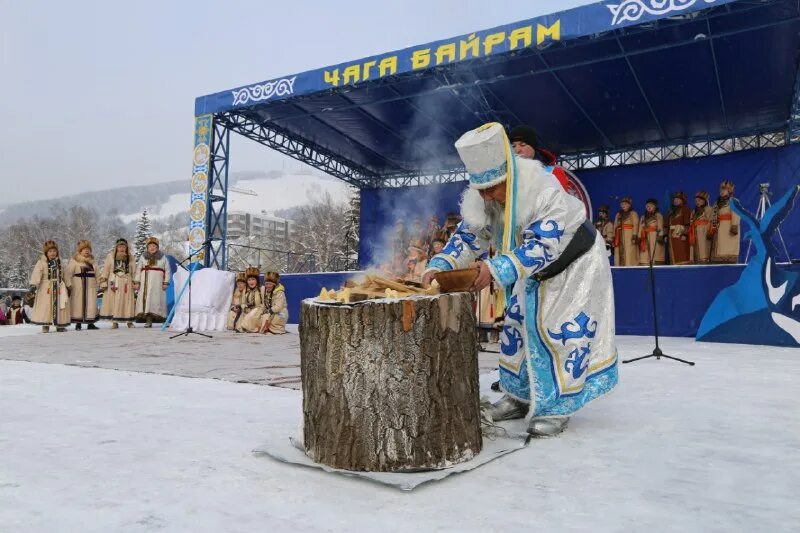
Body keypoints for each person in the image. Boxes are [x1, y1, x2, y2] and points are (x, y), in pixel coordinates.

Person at [423, 123, 617, 437]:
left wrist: (494, 270)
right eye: (480, 189)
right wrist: (438, 266)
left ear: (510, 177)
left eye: (494, 187)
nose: (487, 196)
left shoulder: (543, 189)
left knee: (557, 331)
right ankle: (518, 397)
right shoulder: (484, 197)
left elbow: (544, 244)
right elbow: (467, 239)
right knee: (516, 324)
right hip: (530, 267)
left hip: (574, 262)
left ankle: (557, 408)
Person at [508, 125, 570, 191]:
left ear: (533, 147)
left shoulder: (553, 172)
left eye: (523, 145)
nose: (517, 150)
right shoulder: (508, 174)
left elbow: (561, 200)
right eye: (513, 146)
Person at [29, 240, 71, 332]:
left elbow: (66, 274)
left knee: (60, 306)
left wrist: (68, 285)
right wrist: (33, 285)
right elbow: (36, 274)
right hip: (45, 288)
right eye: (50, 251)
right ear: (46, 252)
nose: (52, 253)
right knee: (46, 306)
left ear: (57, 252)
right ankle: (45, 325)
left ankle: (59, 325)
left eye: (54, 251)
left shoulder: (61, 262)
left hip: (59, 287)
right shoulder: (41, 262)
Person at [99, 238, 137, 329]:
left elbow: (134, 271)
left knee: (128, 302)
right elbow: (106, 269)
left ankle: (129, 321)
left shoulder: (131, 257)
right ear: (116, 247)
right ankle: (115, 322)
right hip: (114, 282)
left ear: (126, 247)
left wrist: (135, 282)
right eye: (120, 246)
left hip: (126, 282)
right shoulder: (110, 256)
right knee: (114, 302)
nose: (122, 248)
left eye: (123, 246)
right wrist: (103, 282)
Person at [134, 237, 170, 327]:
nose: (152, 248)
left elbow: (167, 270)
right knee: (147, 299)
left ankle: (161, 319)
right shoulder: (143, 257)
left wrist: (166, 282)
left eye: (154, 246)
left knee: (157, 300)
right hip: (145, 281)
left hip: (158, 282)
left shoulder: (163, 257)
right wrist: (137, 282)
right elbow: (138, 269)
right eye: (150, 246)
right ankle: (148, 319)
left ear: (157, 247)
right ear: (147, 247)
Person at [66, 240, 99, 330]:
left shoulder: (93, 262)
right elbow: (68, 273)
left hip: (90, 287)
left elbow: (97, 274)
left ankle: (91, 323)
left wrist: (100, 283)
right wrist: (69, 284)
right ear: (80, 251)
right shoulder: (75, 261)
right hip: (78, 287)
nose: (86, 251)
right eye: (84, 249)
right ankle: (78, 323)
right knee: (78, 305)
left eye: (88, 249)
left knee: (91, 305)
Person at [710, 180, 741, 263]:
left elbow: (736, 214)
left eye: (724, 190)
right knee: (719, 247)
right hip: (719, 229)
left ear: (729, 191)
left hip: (728, 229)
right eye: (721, 190)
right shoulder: (717, 203)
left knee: (727, 247)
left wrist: (734, 226)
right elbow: (712, 215)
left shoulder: (733, 201)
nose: (722, 191)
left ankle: (728, 260)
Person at [236, 267, 265, 333]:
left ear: (257, 280)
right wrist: (245, 307)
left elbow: (264, 304)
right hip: (248, 310)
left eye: (253, 279)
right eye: (249, 280)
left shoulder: (262, 289)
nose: (251, 282)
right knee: (237, 325)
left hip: (258, 312)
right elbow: (243, 303)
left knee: (252, 315)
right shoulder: (246, 290)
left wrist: (258, 309)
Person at [667, 192, 692, 265]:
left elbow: (688, 224)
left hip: (680, 236)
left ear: (682, 200)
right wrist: (665, 235)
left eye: (678, 199)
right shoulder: (671, 212)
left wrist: (685, 234)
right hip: (671, 236)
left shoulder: (685, 210)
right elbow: (666, 224)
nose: (675, 200)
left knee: (681, 253)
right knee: (673, 253)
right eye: (675, 199)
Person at [613, 197, 639, 267]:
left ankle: (630, 266)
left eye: (625, 204)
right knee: (619, 252)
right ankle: (620, 266)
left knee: (629, 252)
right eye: (622, 204)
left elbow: (636, 225)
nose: (623, 205)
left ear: (629, 205)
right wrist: (614, 237)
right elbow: (615, 225)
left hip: (629, 236)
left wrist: (634, 236)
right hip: (619, 235)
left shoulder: (633, 213)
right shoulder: (618, 214)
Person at [639, 199, 666, 265]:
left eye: (651, 206)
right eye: (647, 206)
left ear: (655, 207)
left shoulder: (658, 215)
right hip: (645, 236)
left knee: (655, 250)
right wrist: (639, 237)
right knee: (645, 252)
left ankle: (656, 262)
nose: (649, 207)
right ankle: (645, 262)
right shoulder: (643, 217)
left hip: (654, 236)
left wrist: (660, 236)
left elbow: (660, 226)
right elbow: (640, 227)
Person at [690, 191, 714, 264]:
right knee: (695, 248)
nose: (697, 202)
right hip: (695, 232)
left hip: (704, 232)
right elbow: (691, 220)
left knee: (703, 249)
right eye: (696, 201)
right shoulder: (694, 211)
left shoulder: (709, 209)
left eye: (699, 200)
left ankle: (704, 260)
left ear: (705, 201)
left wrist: (710, 231)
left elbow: (712, 221)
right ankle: (695, 260)